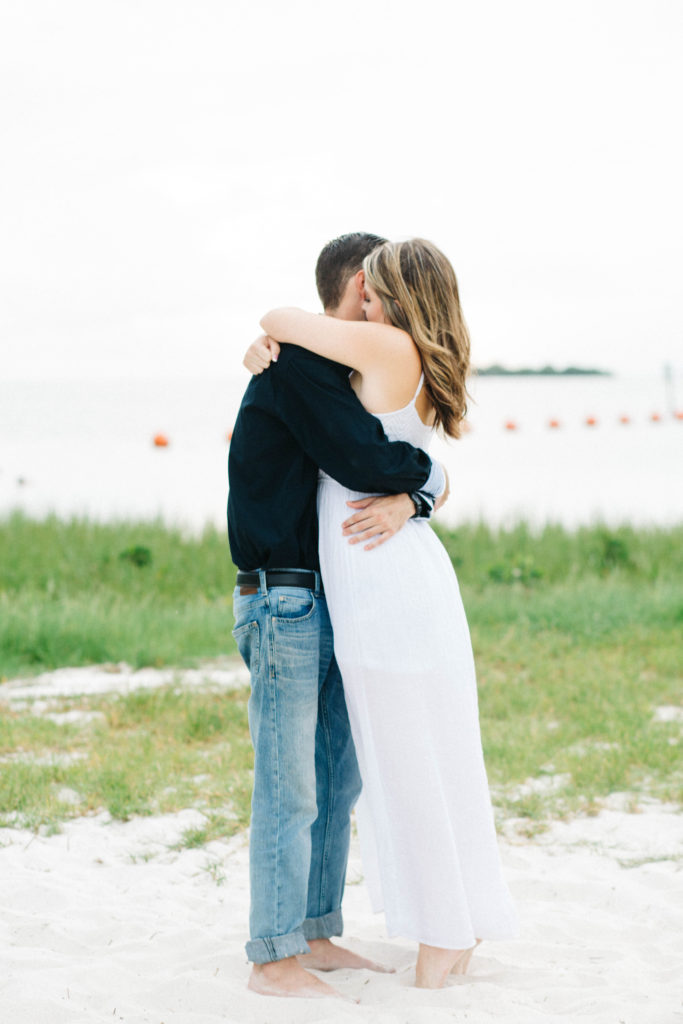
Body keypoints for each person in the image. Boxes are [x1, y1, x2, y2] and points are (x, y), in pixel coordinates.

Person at [253, 238, 518, 989]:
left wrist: (273, 335)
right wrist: (420, 492)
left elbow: (278, 313)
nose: (360, 299)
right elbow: (426, 463)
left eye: (371, 289)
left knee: (406, 771)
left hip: (382, 589)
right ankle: (453, 927)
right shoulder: (416, 353)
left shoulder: (382, 342)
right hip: (402, 577)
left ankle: (443, 935)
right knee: (432, 762)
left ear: (393, 294)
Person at [227, 232, 447, 1000]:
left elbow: (373, 448)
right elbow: (365, 460)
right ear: (363, 286)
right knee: (289, 782)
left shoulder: (329, 367)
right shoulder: (300, 367)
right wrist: (429, 477)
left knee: (333, 776)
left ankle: (315, 932)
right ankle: (273, 958)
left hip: (327, 599)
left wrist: (421, 491)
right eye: (383, 284)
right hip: (282, 598)